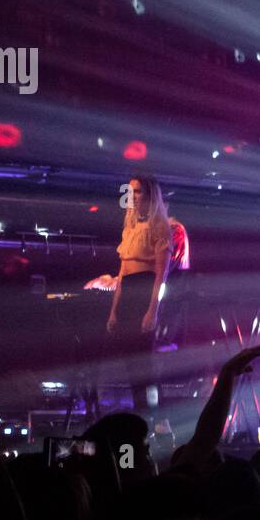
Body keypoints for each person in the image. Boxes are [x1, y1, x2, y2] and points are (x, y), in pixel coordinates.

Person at [107, 176, 172, 411]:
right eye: (131, 191)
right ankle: (139, 413)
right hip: (128, 293)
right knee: (131, 363)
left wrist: (152, 310)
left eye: (138, 192)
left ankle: (154, 417)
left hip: (145, 291)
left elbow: (160, 274)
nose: (133, 196)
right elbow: (122, 273)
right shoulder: (130, 227)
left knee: (144, 363)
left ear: (150, 195)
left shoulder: (159, 227)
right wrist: (114, 310)